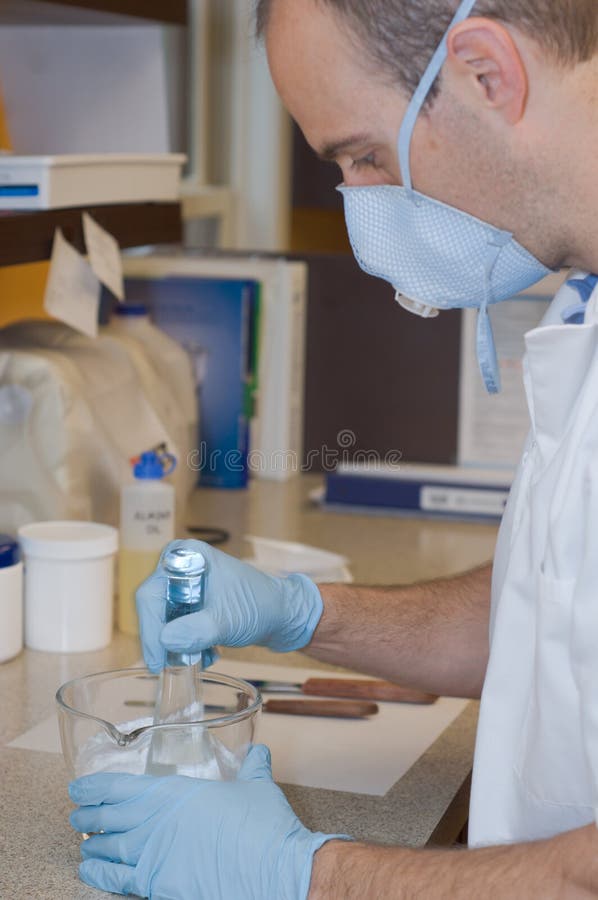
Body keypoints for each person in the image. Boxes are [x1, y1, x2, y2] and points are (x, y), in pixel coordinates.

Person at [69, 0, 598, 896]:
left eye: (364, 154)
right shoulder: (578, 300)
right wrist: (304, 612)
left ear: (483, 71)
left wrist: (304, 874)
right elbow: (554, 614)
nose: (359, 204)